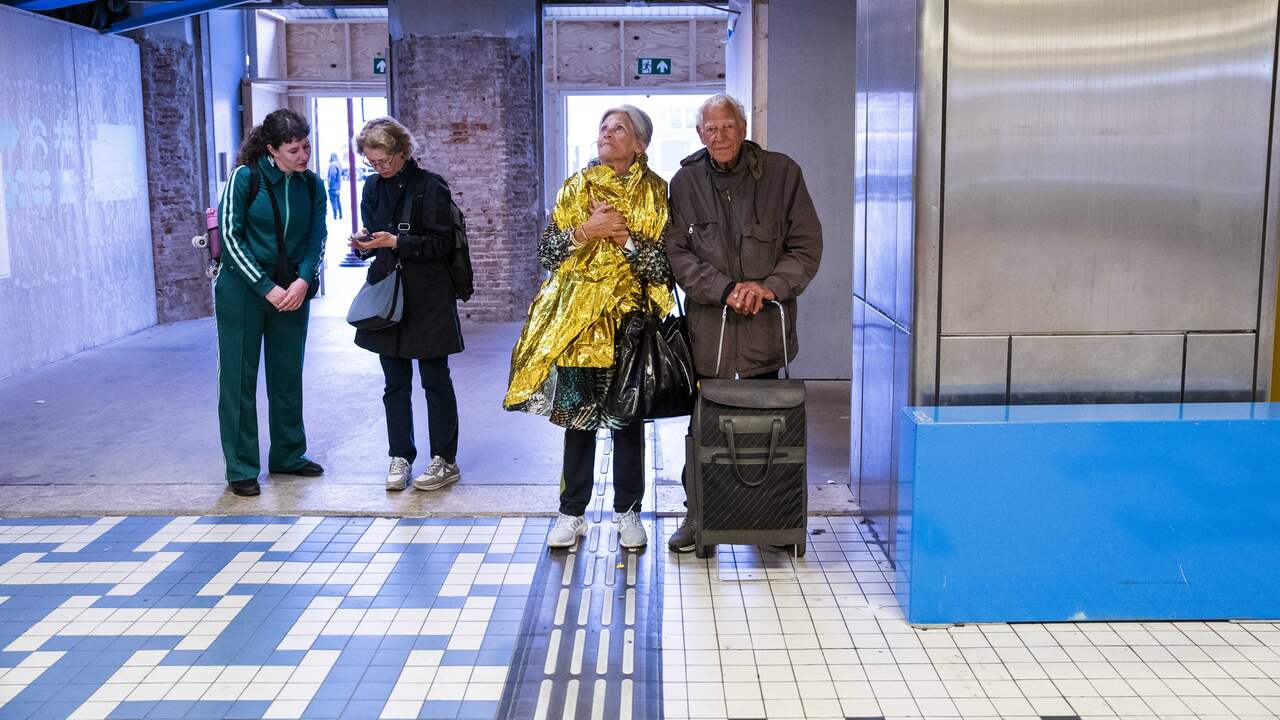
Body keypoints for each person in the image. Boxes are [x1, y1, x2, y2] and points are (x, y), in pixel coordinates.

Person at [504, 105, 673, 550]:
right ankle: (571, 512)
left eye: (619, 129)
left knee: (627, 421)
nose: (607, 134)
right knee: (578, 422)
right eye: (603, 127)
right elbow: (547, 253)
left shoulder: (657, 193)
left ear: (640, 145)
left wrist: (625, 239)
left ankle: (628, 511)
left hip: (630, 326)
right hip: (578, 326)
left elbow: (664, 267)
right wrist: (587, 230)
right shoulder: (575, 187)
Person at [664, 93, 823, 552]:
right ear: (700, 134)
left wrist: (767, 287)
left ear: (744, 127)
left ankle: (771, 520)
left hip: (765, 331)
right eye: (711, 129)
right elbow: (678, 254)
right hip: (709, 333)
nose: (720, 137)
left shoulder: (783, 174)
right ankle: (698, 517)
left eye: (728, 126)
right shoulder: (685, 183)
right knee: (703, 426)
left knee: (768, 426)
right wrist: (724, 289)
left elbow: (806, 246)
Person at [215, 108, 327, 496]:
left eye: (306, 146)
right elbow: (230, 238)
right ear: (272, 149)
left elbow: (317, 238)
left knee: (287, 374)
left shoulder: (312, 185)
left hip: (292, 291)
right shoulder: (245, 179)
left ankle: (288, 455)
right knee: (238, 379)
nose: (303, 155)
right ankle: (241, 467)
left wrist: (303, 280)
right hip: (243, 292)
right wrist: (265, 287)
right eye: (294, 149)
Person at [349, 118, 464, 493]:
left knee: (435, 379)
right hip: (389, 293)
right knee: (394, 383)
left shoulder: (431, 186)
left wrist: (397, 243)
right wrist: (364, 243)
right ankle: (400, 455)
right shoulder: (372, 187)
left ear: (402, 152)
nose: (378, 168)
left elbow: (441, 244)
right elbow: (374, 236)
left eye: (383, 161)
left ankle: (444, 460)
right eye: (371, 162)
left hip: (429, 295)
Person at [327, 153, 343, 219]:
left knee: (333, 201)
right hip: (338, 187)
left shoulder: (332, 165)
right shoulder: (339, 164)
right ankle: (341, 215)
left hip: (333, 187)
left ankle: (335, 215)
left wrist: (330, 185)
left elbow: (332, 175)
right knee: (338, 201)